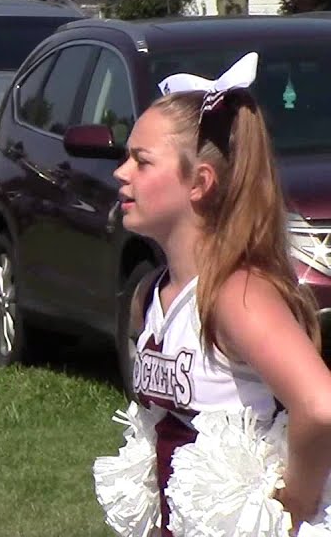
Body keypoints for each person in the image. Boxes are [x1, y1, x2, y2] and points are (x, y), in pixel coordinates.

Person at [97, 53, 331, 535]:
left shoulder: (236, 294)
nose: (122, 173)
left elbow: (321, 405)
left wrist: (291, 506)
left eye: (141, 161)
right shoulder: (153, 292)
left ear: (200, 184)